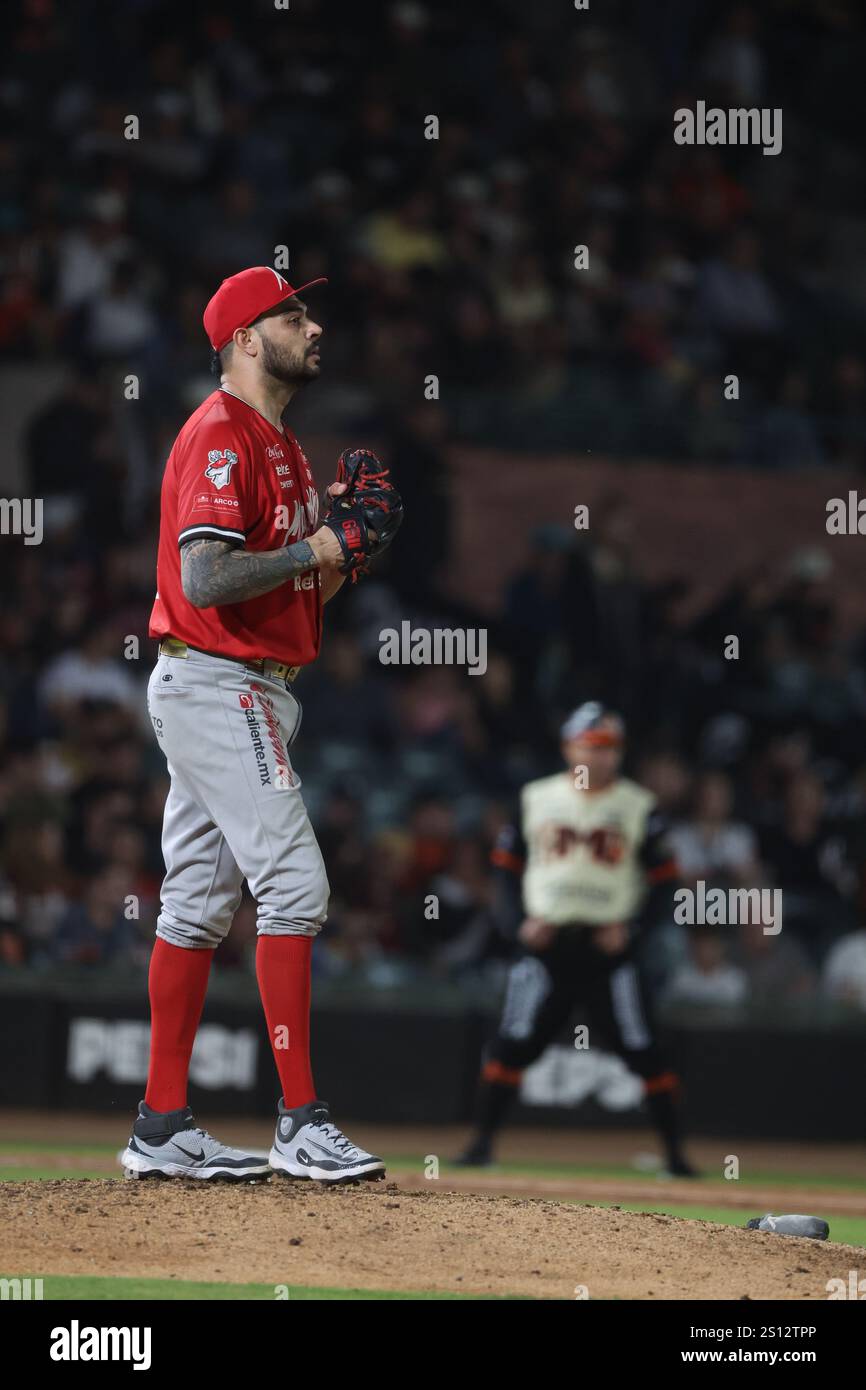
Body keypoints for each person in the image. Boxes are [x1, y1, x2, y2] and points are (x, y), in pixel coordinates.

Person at [120, 265, 401, 1183]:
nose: (312, 325)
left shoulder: (279, 442)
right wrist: (321, 544)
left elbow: (289, 581)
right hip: (217, 683)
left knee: (196, 906)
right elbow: (205, 578)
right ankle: (300, 1121)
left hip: (245, 681)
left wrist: (343, 559)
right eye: (292, 313)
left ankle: (161, 1128)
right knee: (295, 886)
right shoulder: (220, 434)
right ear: (246, 339)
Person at [456, 701, 697, 1176]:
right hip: (546, 946)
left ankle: (676, 1158)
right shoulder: (536, 798)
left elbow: (666, 880)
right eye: (592, 745)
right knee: (512, 1043)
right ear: (569, 747)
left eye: (610, 747)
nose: (601, 757)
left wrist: (632, 930)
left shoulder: (636, 805)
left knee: (644, 1049)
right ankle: (480, 1146)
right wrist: (518, 923)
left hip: (608, 950)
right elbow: (505, 871)